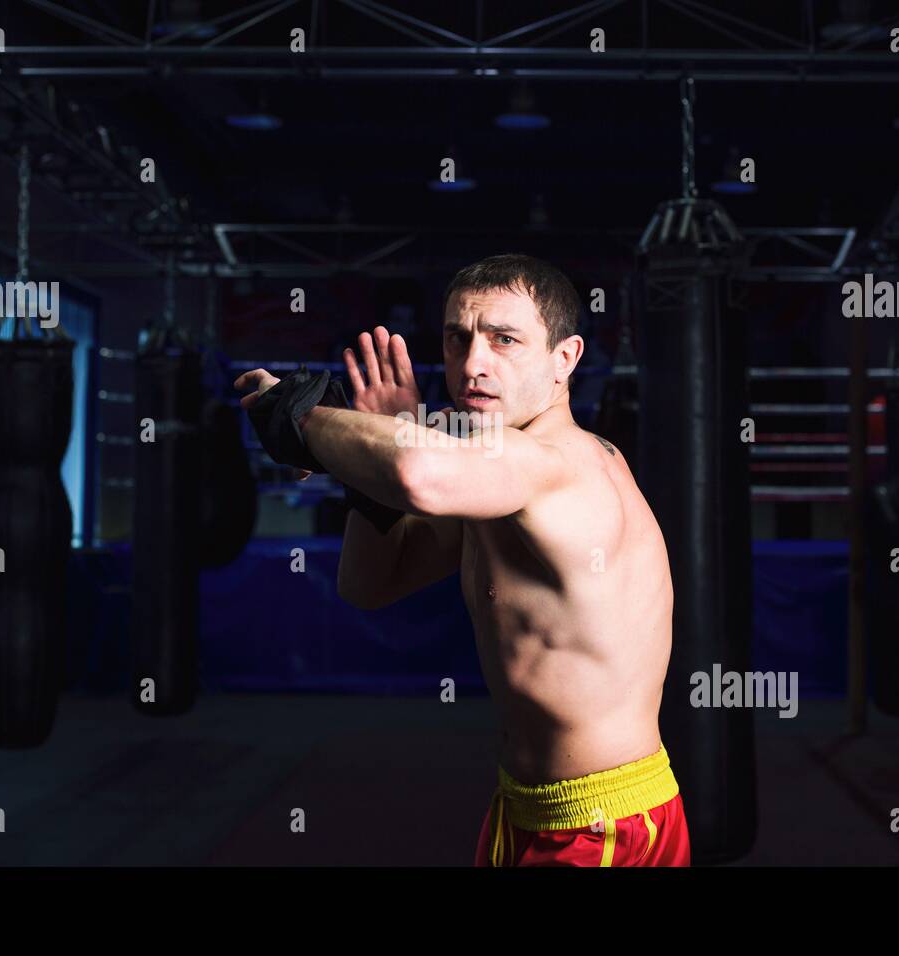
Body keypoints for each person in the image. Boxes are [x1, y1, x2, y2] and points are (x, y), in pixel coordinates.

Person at [235, 254, 690, 866]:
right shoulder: (489, 477)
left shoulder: (558, 464)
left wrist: (299, 414)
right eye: (458, 338)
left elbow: (418, 472)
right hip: (521, 806)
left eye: (505, 340)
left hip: (604, 827)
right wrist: (369, 475)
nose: (474, 364)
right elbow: (370, 584)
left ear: (566, 358)